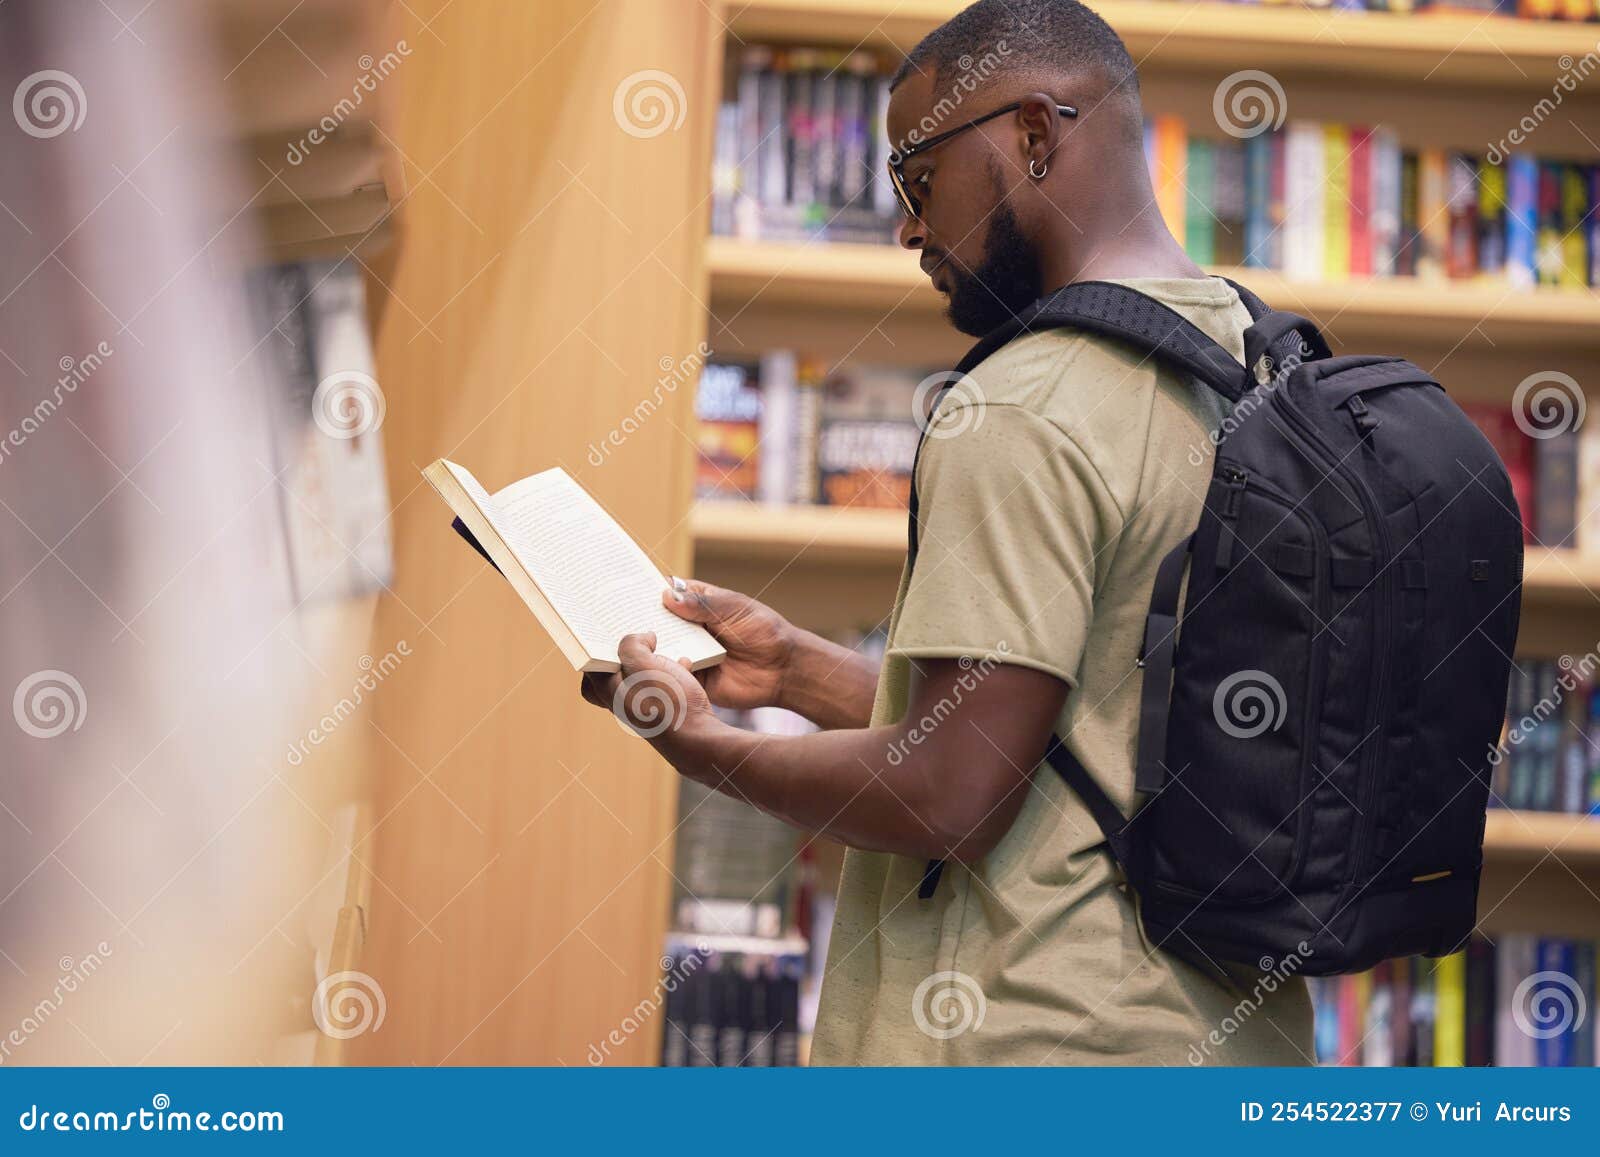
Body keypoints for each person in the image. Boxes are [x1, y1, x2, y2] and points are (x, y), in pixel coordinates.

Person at [580, 0, 1313, 1065]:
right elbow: (1085, 717)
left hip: (1022, 1047)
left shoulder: (1020, 403)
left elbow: (948, 796)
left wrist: (704, 751)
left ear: (1029, 136)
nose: (908, 227)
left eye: (914, 177)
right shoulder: (1251, 362)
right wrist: (794, 670)